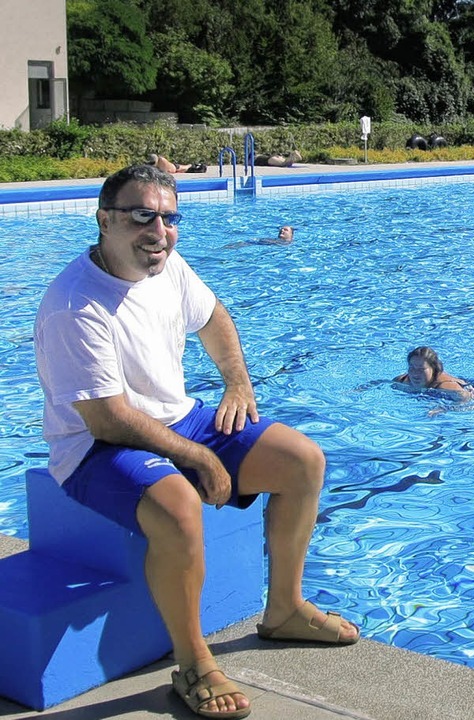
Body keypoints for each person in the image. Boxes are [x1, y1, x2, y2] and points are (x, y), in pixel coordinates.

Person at [34, 164, 359, 719]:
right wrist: (198, 456)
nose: (158, 230)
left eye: (168, 217)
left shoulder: (168, 267)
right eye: (142, 216)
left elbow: (213, 319)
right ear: (104, 220)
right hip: (93, 446)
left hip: (178, 417)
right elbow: (108, 420)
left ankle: (283, 610)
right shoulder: (75, 304)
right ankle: (192, 662)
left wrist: (237, 380)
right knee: (181, 505)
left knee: (303, 461)